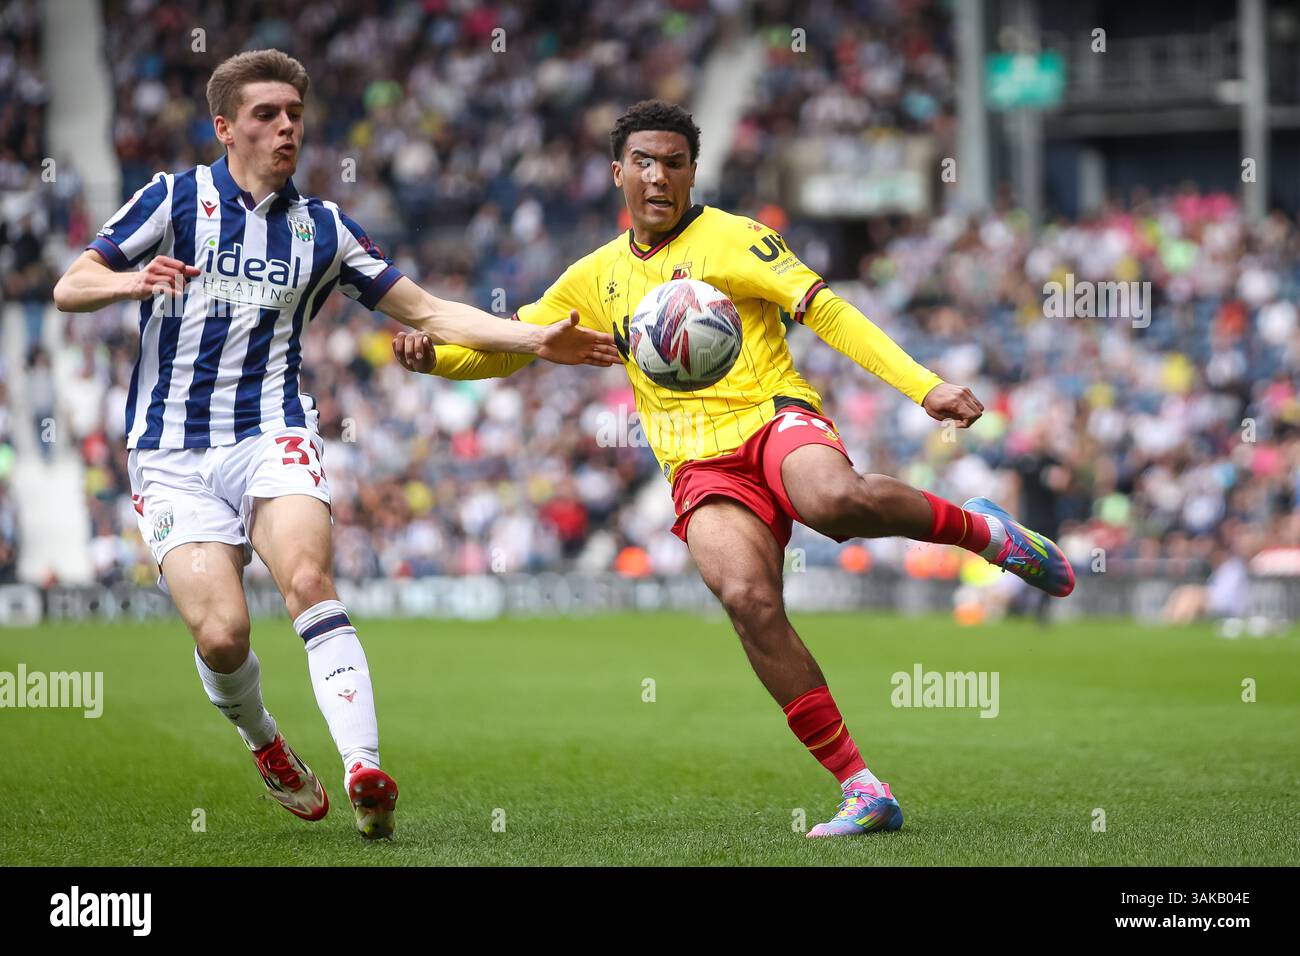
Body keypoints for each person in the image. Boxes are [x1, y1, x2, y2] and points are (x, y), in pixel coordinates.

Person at [392, 99, 1074, 838]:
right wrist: (438, 360)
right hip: (694, 460)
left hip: (772, 417)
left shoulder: (738, 240)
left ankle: (982, 532)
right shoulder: (593, 277)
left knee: (832, 501)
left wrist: (925, 387)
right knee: (749, 600)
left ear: (692, 171)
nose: (659, 177)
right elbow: (508, 345)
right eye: (643, 163)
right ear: (616, 171)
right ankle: (862, 787)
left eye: (674, 163)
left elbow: (829, 312)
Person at [52, 49, 617, 840]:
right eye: (266, 115)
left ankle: (363, 769)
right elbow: (70, 283)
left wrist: (535, 340)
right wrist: (130, 281)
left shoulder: (325, 229)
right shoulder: (174, 199)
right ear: (225, 128)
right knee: (221, 636)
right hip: (171, 453)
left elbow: (430, 312)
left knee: (309, 577)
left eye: (295, 114)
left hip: (271, 432)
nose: (287, 127)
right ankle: (265, 742)